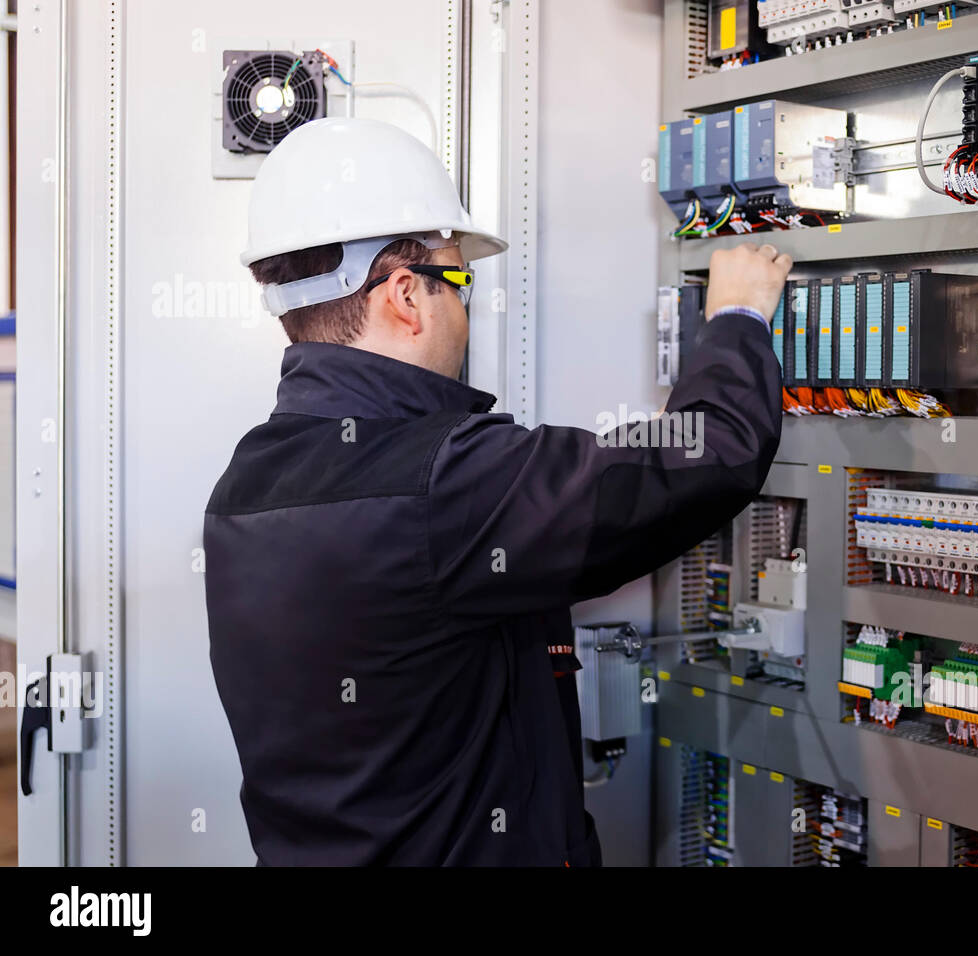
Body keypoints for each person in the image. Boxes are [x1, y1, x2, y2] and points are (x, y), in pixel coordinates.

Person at [204, 117, 791, 865]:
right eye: (461, 279)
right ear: (407, 298)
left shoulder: (245, 482)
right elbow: (710, 454)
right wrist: (737, 318)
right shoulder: (440, 484)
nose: (465, 306)